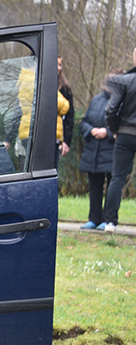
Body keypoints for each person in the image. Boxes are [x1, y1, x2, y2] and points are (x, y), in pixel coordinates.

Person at [76, 71, 120, 229]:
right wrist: (92, 130)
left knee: (112, 186)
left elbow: (124, 125)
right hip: (93, 150)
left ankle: (109, 220)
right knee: (94, 186)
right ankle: (94, 219)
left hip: (112, 151)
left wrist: (107, 132)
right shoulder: (96, 100)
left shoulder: (124, 101)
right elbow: (84, 122)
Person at [101, 47, 136, 231]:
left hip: (126, 134)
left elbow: (110, 109)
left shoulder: (125, 82)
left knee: (118, 178)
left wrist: (115, 129)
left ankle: (110, 222)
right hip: (126, 132)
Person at [58, 57, 74, 166]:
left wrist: (66, 141)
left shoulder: (64, 88)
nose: (59, 68)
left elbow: (70, 116)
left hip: (58, 137)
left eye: (60, 65)